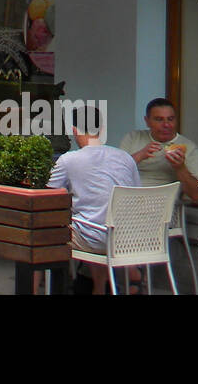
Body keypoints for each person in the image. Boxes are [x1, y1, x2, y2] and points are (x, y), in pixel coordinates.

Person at [49, 112, 141, 294]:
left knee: (45, 233)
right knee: (95, 222)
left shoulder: (68, 160)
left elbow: (48, 196)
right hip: (129, 240)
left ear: (74, 130)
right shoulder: (125, 158)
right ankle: (101, 287)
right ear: (102, 130)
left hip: (95, 238)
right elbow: (137, 196)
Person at [118, 98, 198, 202]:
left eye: (170, 119)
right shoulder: (133, 138)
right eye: (159, 119)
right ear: (147, 121)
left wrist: (180, 168)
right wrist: (139, 155)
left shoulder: (189, 147)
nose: (166, 125)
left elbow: (196, 195)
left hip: (163, 205)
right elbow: (114, 173)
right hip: (128, 201)